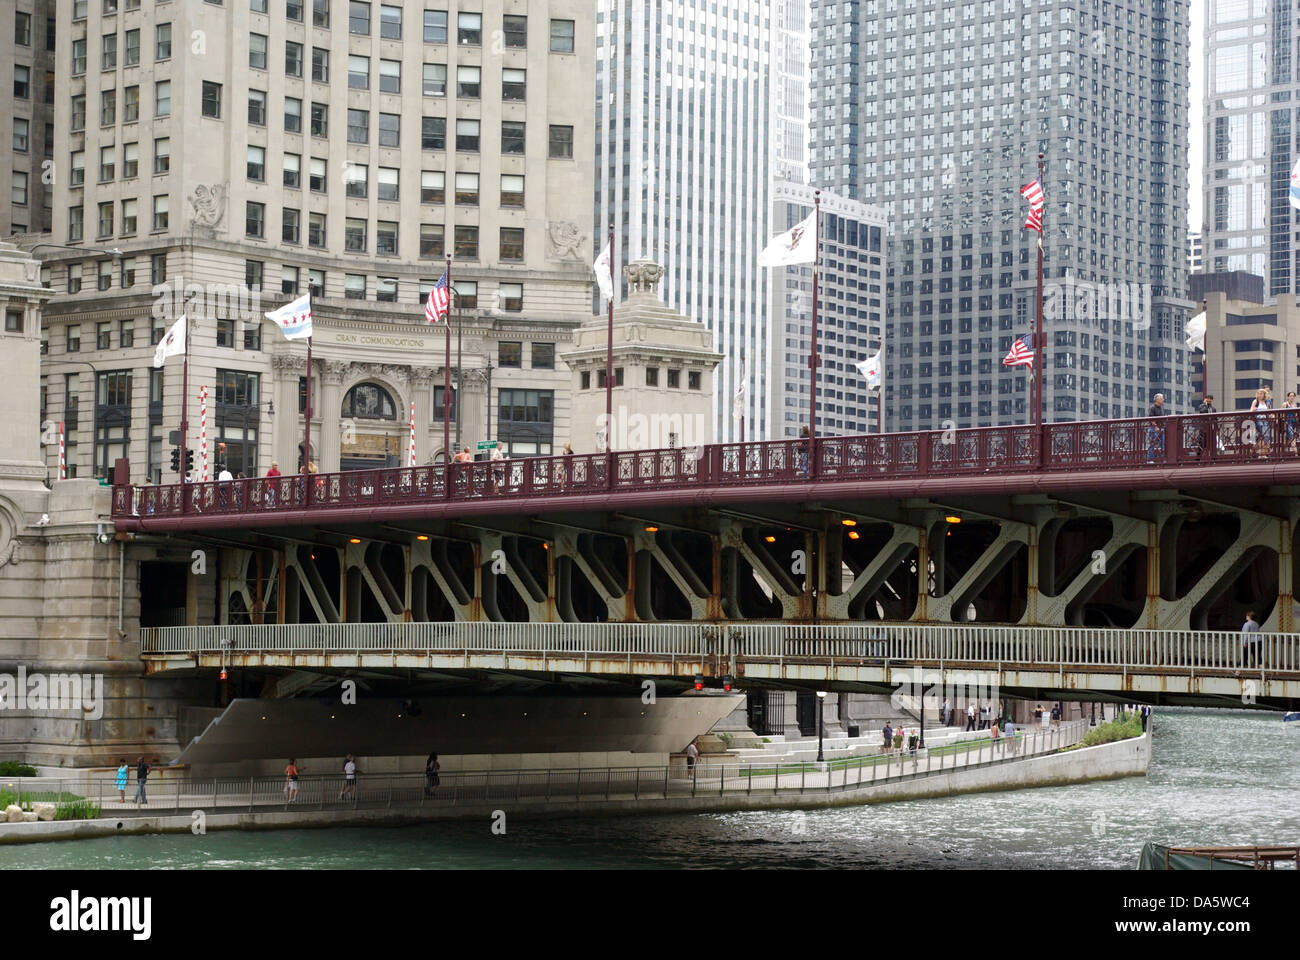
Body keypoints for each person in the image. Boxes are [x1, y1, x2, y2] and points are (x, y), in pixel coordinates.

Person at [1250, 388, 1271, 458]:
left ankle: (1254, 450)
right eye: (1258, 394)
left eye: (1261, 394)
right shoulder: (1255, 401)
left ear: (1264, 395)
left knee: (1265, 436)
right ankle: (1261, 454)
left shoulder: (1266, 402)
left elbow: (1269, 411)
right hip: (1258, 420)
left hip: (1265, 420)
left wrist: (1272, 415)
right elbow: (1251, 410)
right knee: (1263, 435)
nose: (1259, 395)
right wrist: (1254, 409)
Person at [1146, 393, 1167, 461]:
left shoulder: (1162, 407)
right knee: (1153, 443)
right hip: (1154, 428)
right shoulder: (1152, 407)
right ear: (1157, 400)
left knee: (1163, 443)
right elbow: (1151, 418)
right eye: (1161, 399)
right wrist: (1156, 427)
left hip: (1161, 428)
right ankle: (1150, 459)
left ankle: (1162, 458)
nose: (1163, 400)